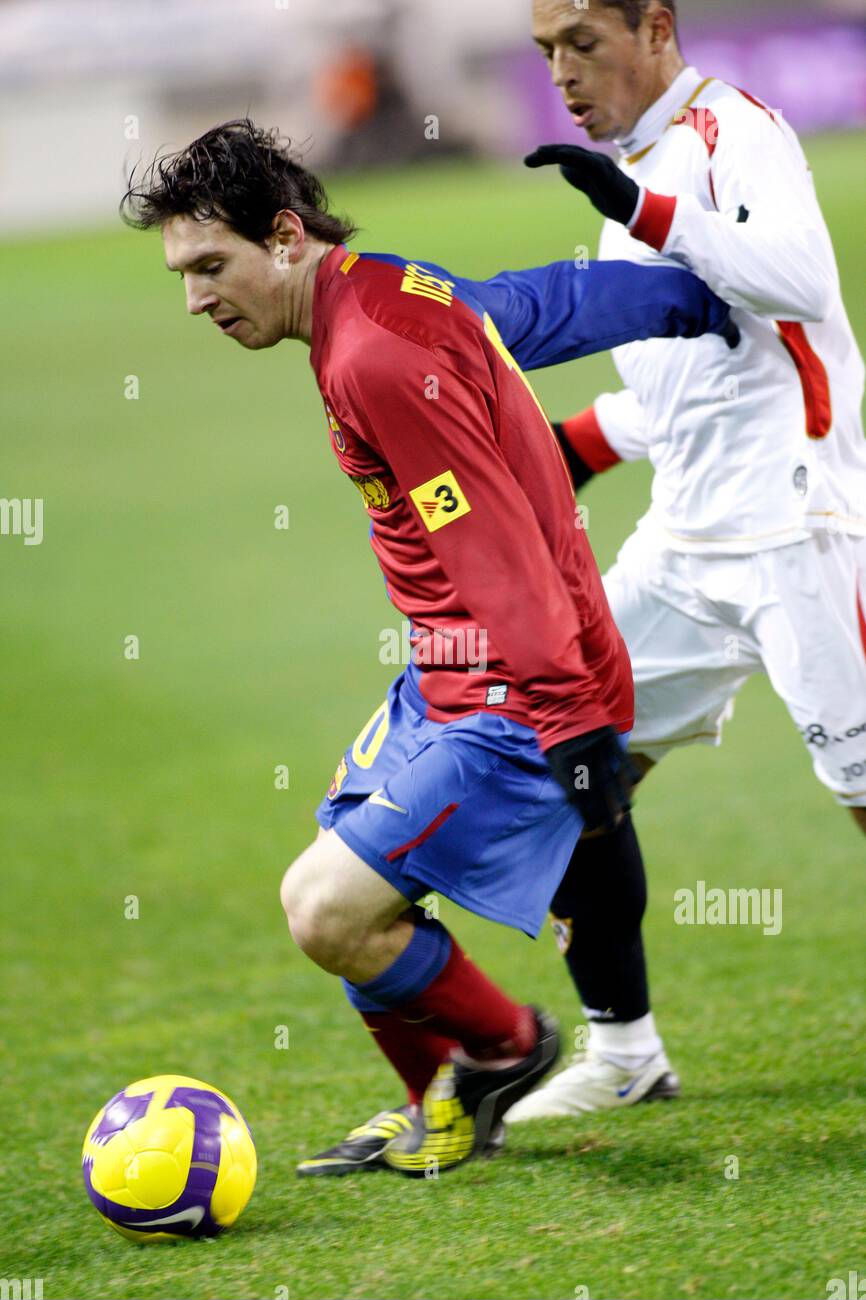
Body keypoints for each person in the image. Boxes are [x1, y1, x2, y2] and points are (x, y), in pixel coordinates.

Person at [121, 118, 735, 1174]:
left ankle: (505, 1049)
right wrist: (680, 298)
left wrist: (571, 724)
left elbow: (493, 550)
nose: (195, 299)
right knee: (342, 880)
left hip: (510, 693)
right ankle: (439, 1111)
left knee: (326, 910)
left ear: (282, 235)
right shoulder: (385, 287)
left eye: (210, 265)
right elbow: (530, 306)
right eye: (180, 273)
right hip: (448, 673)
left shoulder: (371, 359)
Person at [506, 0, 866, 1124]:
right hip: (683, 542)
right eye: (544, 52)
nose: (561, 73)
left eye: (582, 43)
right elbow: (700, 373)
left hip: (798, 527)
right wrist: (577, 445)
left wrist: (639, 207)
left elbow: (797, 284)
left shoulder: (731, 134)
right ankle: (623, 1052)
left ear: (654, 27)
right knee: (565, 767)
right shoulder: (635, 167)